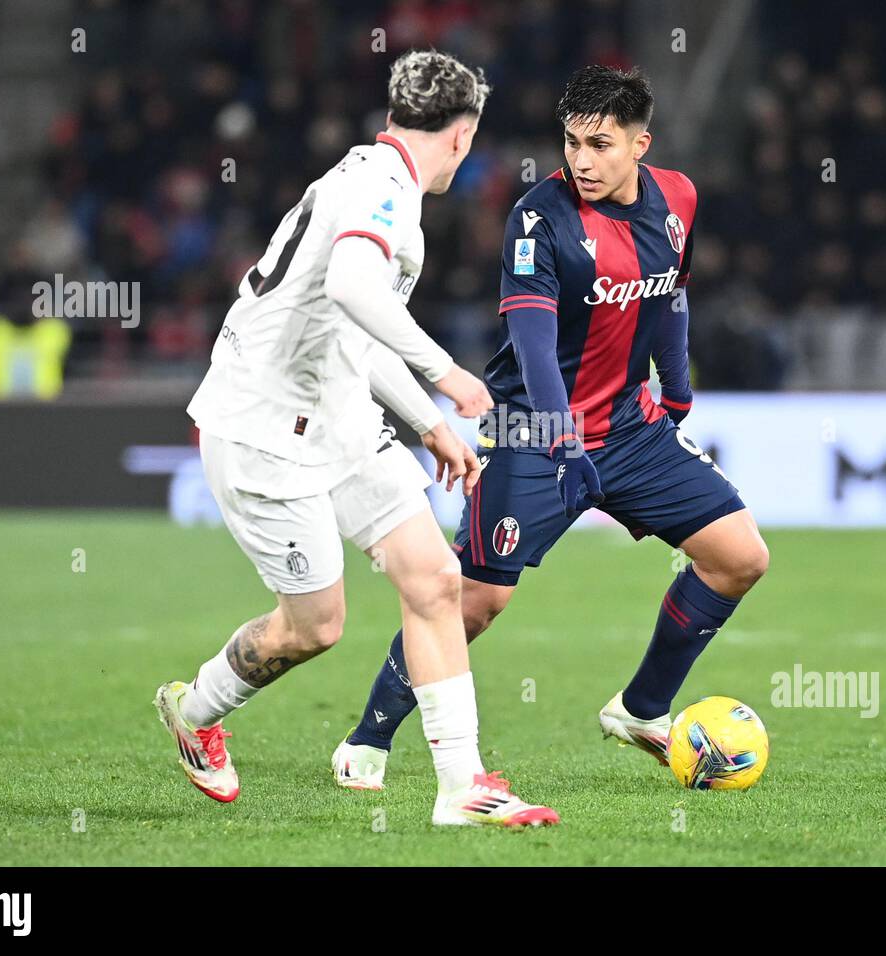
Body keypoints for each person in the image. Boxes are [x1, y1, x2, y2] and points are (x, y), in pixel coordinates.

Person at [334, 65, 769, 789]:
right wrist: (563, 438)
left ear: (640, 144)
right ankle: (367, 739)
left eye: (600, 144)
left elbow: (671, 298)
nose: (582, 160)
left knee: (740, 555)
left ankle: (641, 708)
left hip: (629, 427)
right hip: (533, 431)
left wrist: (679, 388)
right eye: (571, 142)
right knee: (474, 604)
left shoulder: (680, 199)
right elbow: (534, 344)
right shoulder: (540, 217)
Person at [155, 50, 558, 828]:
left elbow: (354, 332)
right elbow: (350, 285)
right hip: (262, 428)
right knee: (316, 627)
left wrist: (432, 424)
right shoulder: (380, 190)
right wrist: (445, 373)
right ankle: (193, 708)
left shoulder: (373, 178)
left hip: (339, 418)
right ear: (463, 136)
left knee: (435, 578)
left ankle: (462, 788)